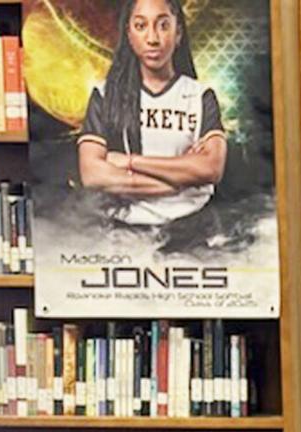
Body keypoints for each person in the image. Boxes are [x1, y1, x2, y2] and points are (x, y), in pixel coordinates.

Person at [75, 0, 228, 250]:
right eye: (141, 25)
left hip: (191, 231)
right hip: (124, 233)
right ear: (129, 34)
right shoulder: (105, 95)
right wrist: (177, 181)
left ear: (178, 33)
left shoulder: (200, 96)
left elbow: (211, 168)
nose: (153, 38)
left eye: (163, 25)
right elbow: (92, 173)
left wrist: (129, 161)